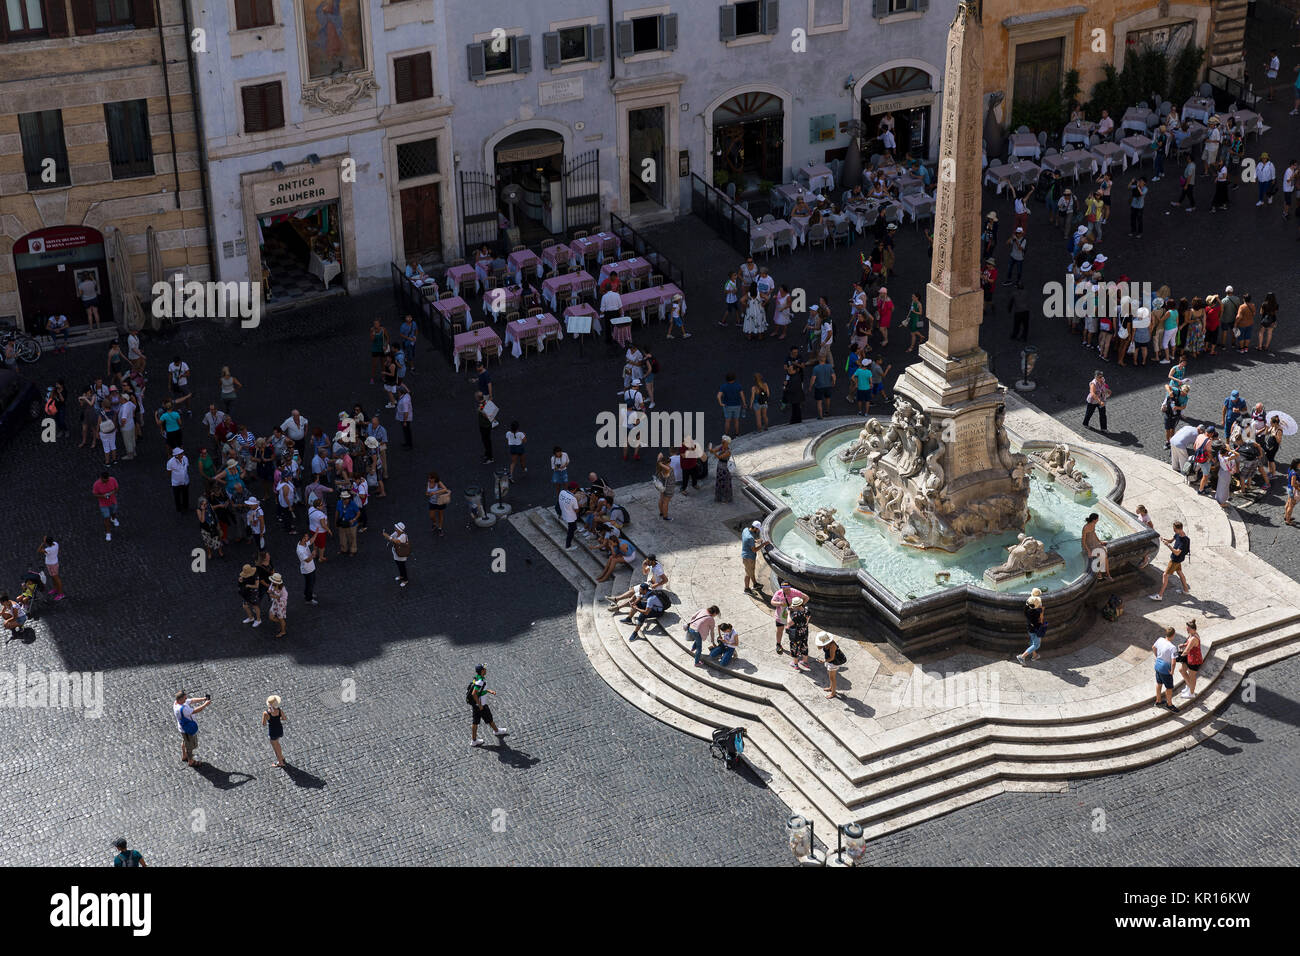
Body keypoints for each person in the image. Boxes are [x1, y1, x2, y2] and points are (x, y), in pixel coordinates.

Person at [468, 664, 508, 747]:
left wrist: (489, 691)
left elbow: (481, 689)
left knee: (476, 722)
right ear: (482, 671)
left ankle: (474, 740)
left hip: (476, 705)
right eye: (484, 669)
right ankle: (496, 731)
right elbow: (474, 693)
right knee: (489, 718)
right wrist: (480, 705)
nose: (486, 670)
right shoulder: (480, 681)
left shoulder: (478, 678)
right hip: (481, 705)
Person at [1150, 521, 1191, 601]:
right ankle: (1186, 590)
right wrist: (1164, 539)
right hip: (1178, 560)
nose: (1174, 530)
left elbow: (1177, 552)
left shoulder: (1184, 540)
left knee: (1165, 575)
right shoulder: (1178, 534)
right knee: (1180, 573)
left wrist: (1168, 545)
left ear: (1179, 529)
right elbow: (1171, 540)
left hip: (1175, 560)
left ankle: (1160, 595)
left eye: (1175, 529)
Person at [174, 691, 211, 766]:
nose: (186, 699)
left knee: (185, 741)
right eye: (185, 698)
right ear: (180, 699)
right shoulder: (182, 709)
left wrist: (203, 699)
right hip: (188, 730)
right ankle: (190, 761)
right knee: (190, 746)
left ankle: (184, 755)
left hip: (183, 728)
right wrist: (205, 704)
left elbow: (192, 700)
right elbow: (195, 710)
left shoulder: (177, 703)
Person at [1015, 588, 1046, 665]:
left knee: (1032, 642)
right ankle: (1022, 657)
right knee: (1036, 645)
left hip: (1029, 628)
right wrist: (1042, 612)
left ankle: (1034, 655)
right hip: (1036, 629)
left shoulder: (1027, 608)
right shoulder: (1036, 613)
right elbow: (1041, 621)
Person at [1176, 620, 1204, 700]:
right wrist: (1183, 644)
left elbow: (1187, 650)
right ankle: (1189, 686)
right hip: (1189, 658)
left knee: (1192, 676)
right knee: (1182, 670)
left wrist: (1177, 656)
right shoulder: (1191, 634)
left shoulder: (1194, 638)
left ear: (1193, 629)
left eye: (1188, 629)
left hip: (1195, 660)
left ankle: (1191, 693)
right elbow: (1188, 644)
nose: (1187, 630)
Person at [1082, 512, 1111, 580]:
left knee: (1105, 557)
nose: (1098, 520)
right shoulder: (1085, 528)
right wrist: (1088, 551)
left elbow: (1094, 533)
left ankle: (1107, 574)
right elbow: (1083, 541)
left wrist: (1100, 541)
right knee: (1101, 557)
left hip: (1094, 542)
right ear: (1094, 520)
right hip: (1089, 545)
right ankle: (1101, 574)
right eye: (1097, 519)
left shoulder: (1093, 524)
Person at [816, 633, 846, 699]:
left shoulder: (832, 645)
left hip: (833, 662)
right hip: (829, 662)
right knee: (830, 676)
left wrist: (824, 661)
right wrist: (820, 643)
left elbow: (832, 657)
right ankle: (831, 688)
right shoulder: (825, 643)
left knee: (832, 678)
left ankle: (833, 693)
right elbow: (819, 647)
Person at [92, 470, 120, 541]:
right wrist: (102, 496)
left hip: (113, 501)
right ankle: (108, 533)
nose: (106, 482)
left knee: (113, 512)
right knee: (106, 517)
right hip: (103, 504)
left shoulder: (113, 480)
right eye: (104, 481)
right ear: (101, 478)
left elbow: (117, 489)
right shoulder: (96, 484)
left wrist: (111, 493)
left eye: (107, 480)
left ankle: (113, 519)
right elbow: (95, 494)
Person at [785, 596, 811, 671]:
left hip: (796, 634)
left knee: (795, 648)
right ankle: (805, 662)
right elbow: (807, 620)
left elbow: (789, 623)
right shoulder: (807, 610)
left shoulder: (796, 615)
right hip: (804, 631)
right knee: (804, 645)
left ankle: (795, 664)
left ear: (797, 606)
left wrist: (789, 613)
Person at [717, 372, 746, 437]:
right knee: (736, 420)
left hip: (727, 406)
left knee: (727, 421)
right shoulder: (738, 385)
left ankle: (726, 434)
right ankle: (737, 434)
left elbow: (718, 396)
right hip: (737, 405)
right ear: (734, 378)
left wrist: (721, 403)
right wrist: (744, 403)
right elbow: (742, 395)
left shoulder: (723, 386)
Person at [262, 695, 287, 767]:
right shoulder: (279, 710)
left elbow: (263, 724)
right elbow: (284, 718)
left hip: (273, 731)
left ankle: (280, 762)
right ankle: (281, 757)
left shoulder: (266, 713)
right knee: (277, 743)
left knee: (275, 747)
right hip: (279, 729)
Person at [38, 536, 65, 601]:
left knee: (56, 578)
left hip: (52, 565)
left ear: (47, 543)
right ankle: (56, 589)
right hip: (53, 563)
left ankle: (61, 594)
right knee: (53, 577)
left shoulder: (48, 550)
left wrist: (42, 543)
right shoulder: (56, 544)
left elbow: (39, 550)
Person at [741, 520, 764, 593]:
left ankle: (755, 584)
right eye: (758, 529)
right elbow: (754, 550)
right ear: (755, 528)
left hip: (746, 556)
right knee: (748, 574)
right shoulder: (750, 538)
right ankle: (746, 589)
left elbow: (746, 539)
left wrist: (755, 541)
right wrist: (763, 544)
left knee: (751, 572)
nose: (758, 531)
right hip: (749, 558)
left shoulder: (745, 530)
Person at [296, 532, 318, 605]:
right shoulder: (300, 550)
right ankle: (309, 599)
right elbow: (307, 560)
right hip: (307, 570)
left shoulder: (303, 543)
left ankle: (307, 594)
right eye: (306, 537)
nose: (307, 538)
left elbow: (311, 541)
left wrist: (317, 533)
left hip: (310, 568)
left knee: (309, 583)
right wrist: (313, 554)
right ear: (302, 539)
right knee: (310, 584)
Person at [709, 435, 733, 503]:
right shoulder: (721, 447)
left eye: (723, 442)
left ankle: (726, 498)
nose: (722, 443)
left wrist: (713, 452)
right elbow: (714, 450)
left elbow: (720, 457)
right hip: (720, 467)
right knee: (720, 482)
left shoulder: (728, 451)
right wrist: (711, 450)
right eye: (722, 442)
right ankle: (719, 497)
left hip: (725, 468)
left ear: (727, 443)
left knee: (725, 483)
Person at [557, 481, 580, 550]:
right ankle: (568, 546)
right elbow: (576, 510)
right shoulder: (573, 499)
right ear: (575, 489)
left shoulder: (562, 492)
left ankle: (575, 529)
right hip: (571, 517)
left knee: (573, 525)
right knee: (570, 531)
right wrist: (579, 505)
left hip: (564, 513)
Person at [654, 453, 674, 521]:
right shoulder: (668, 469)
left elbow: (659, 455)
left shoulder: (659, 469)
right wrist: (660, 462)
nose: (670, 461)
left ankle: (661, 513)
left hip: (662, 487)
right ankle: (665, 516)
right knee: (666, 502)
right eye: (669, 461)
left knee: (661, 499)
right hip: (668, 488)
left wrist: (659, 461)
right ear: (665, 463)